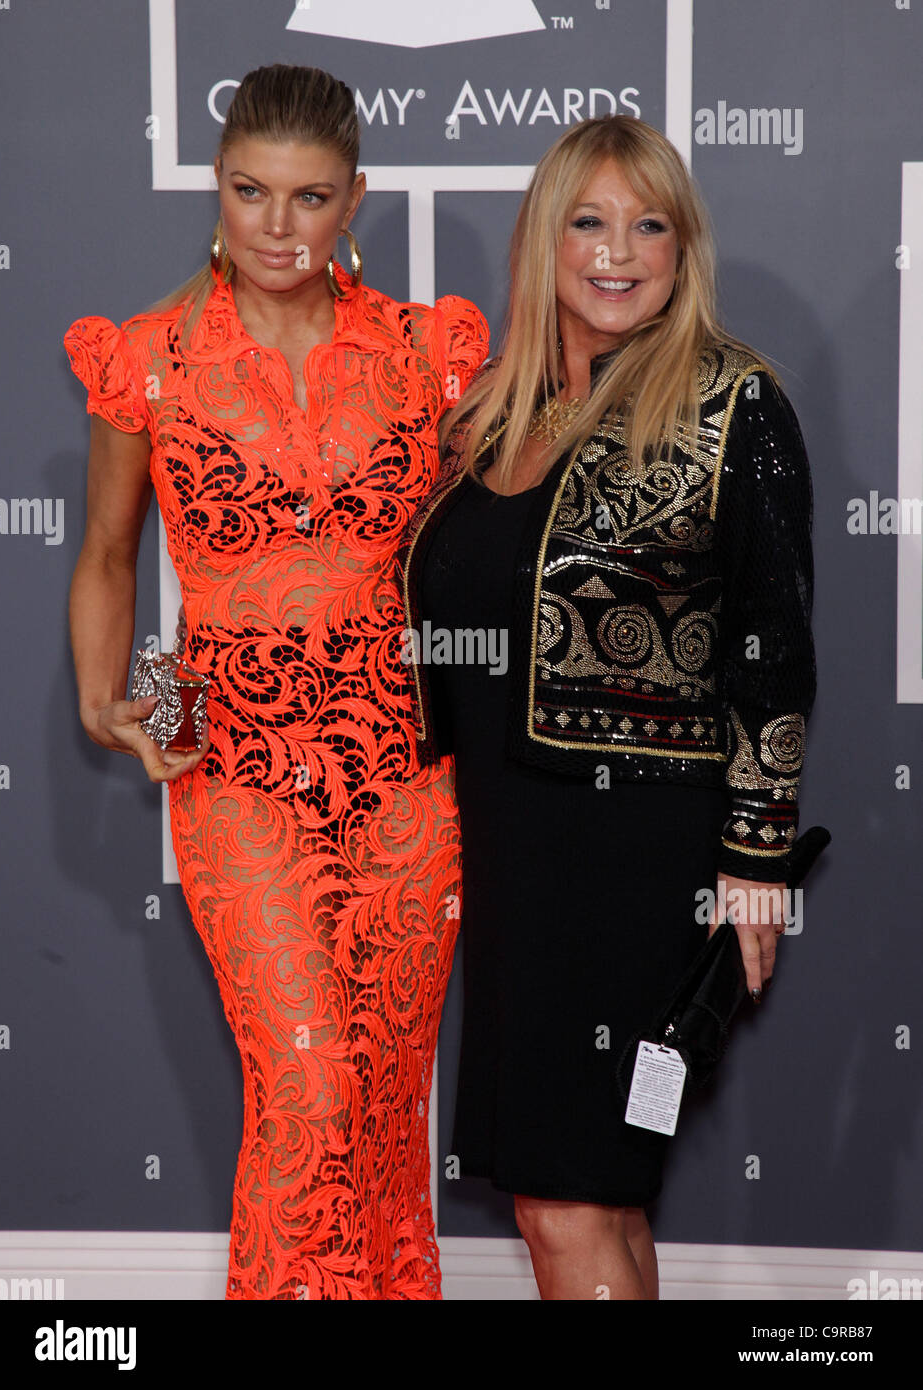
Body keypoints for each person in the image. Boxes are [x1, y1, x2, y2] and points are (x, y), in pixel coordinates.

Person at [64, 64, 488, 1300]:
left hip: (406, 774)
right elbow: (118, 559)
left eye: (309, 199)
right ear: (218, 184)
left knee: (381, 1100)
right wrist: (129, 701)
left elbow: (477, 560)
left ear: (354, 198)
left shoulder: (425, 352)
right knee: (305, 1085)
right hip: (235, 771)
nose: (278, 227)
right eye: (252, 192)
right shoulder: (148, 359)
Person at [397, 114, 816, 1300]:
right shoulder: (492, 411)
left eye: (648, 224)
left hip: (632, 856)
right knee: (591, 1198)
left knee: (566, 1196)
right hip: (513, 847)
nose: (616, 251)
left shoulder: (733, 404)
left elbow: (772, 648)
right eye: (587, 220)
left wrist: (753, 859)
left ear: (683, 248)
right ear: (544, 240)